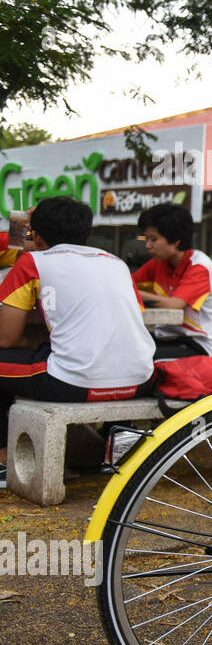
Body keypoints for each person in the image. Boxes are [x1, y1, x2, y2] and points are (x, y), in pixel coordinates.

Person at [0, 198, 155, 488]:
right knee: (51, 353)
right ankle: (115, 434)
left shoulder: (32, 261)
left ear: (37, 235)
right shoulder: (116, 262)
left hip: (73, 382)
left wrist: (23, 227)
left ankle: (2, 462)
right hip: (140, 379)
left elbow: (6, 338)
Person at [132, 203, 212, 357]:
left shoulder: (200, 266)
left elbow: (174, 305)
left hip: (197, 344)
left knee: (142, 358)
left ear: (176, 240)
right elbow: (127, 282)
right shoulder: (158, 263)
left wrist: (130, 292)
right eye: (146, 239)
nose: (148, 246)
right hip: (165, 338)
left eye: (153, 239)